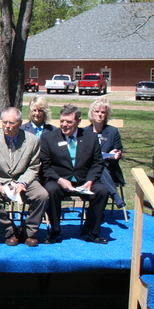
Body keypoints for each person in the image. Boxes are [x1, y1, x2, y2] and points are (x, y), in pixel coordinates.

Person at [40, 104, 110, 244]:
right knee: (51, 190)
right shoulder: (49, 138)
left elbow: (97, 163)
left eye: (69, 122)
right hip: (58, 179)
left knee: (102, 191)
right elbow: (45, 167)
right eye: (62, 121)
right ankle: (55, 231)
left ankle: (90, 231)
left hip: (84, 180)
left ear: (78, 121)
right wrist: (60, 180)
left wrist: (90, 181)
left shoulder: (90, 137)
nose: (64, 125)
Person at [0, 107, 48, 246]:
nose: (7, 126)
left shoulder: (32, 140)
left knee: (42, 195)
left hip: (22, 179)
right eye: (4, 122)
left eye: (11, 123)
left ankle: (28, 232)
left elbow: (34, 166)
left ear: (20, 123)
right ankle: (9, 231)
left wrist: (23, 182)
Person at [85, 97, 126, 208]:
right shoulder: (84, 132)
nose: (100, 115)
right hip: (88, 171)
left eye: (103, 112)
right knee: (98, 166)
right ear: (91, 113)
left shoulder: (113, 132)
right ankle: (115, 195)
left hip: (109, 169)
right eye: (97, 111)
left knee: (100, 167)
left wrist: (115, 155)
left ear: (106, 115)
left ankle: (110, 198)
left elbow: (118, 150)